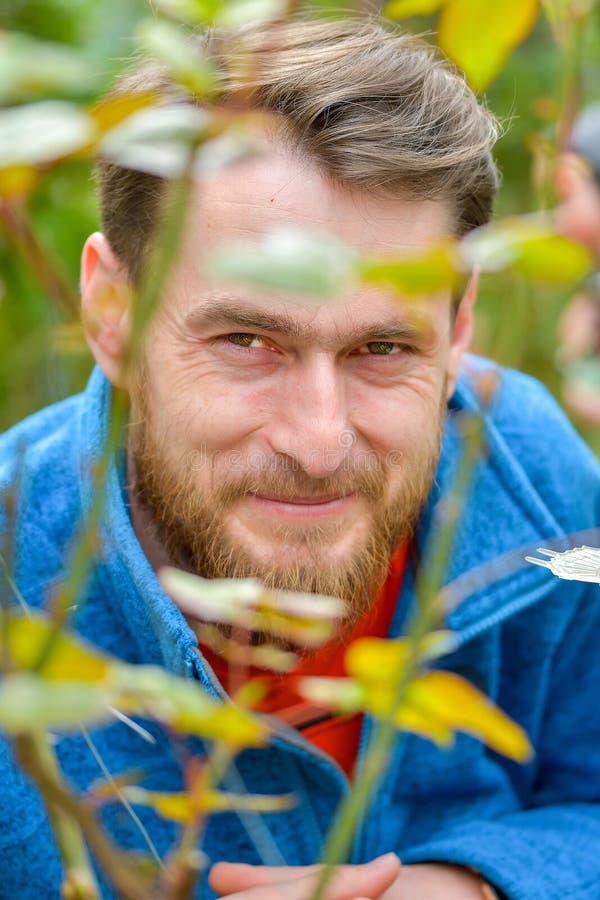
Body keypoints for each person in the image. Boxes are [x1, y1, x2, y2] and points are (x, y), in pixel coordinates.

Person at [1, 17, 599, 900]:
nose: (319, 443)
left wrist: (471, 886)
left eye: (384, 350)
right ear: (111, 315)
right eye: (248, 340)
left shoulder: (529, 470)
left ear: (459, 325)